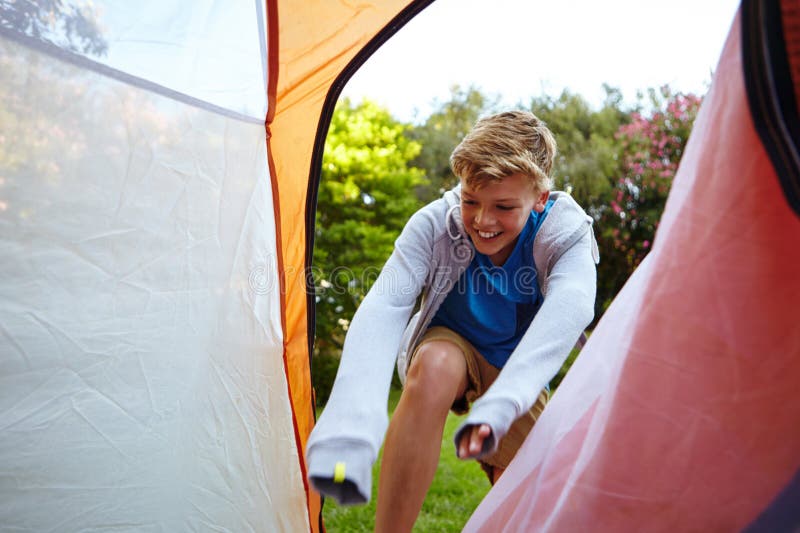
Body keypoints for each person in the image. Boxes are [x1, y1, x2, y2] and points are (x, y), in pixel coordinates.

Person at [306, 110, 598, 532]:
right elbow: (384, 308)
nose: (483, 220)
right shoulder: (432, 225)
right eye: (470, 200)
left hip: (516, 366)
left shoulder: (564, 231)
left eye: (503, 206)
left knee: (530, 499)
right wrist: (348, 430)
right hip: (450, 346)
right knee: (436, 366)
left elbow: (571, 305)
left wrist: (505, 401)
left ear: (539, 197)